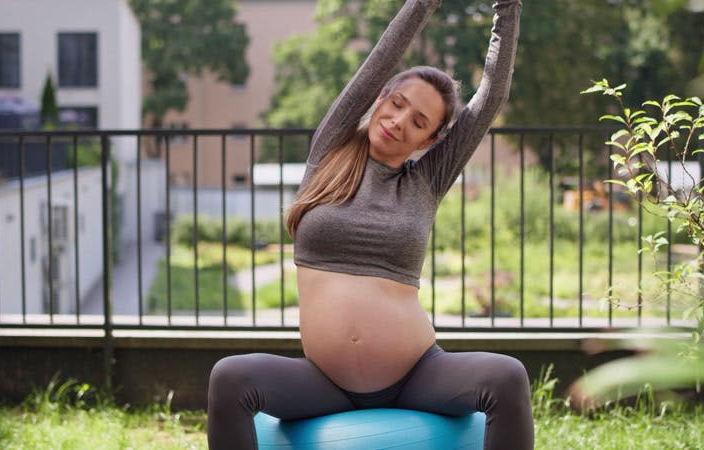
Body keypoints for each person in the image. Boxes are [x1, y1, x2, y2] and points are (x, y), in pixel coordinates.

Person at [207, 1, 531, 449]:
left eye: (418, 121)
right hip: (324, 384)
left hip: (417, 376)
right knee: (230, 377)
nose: (399, 122)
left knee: (507, 376)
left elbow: (491, 96)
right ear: (379, 98)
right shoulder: (328, 152)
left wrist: (507, 9)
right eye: (396, 104)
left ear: (431, 139)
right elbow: (380, 59)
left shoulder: (426, 182)